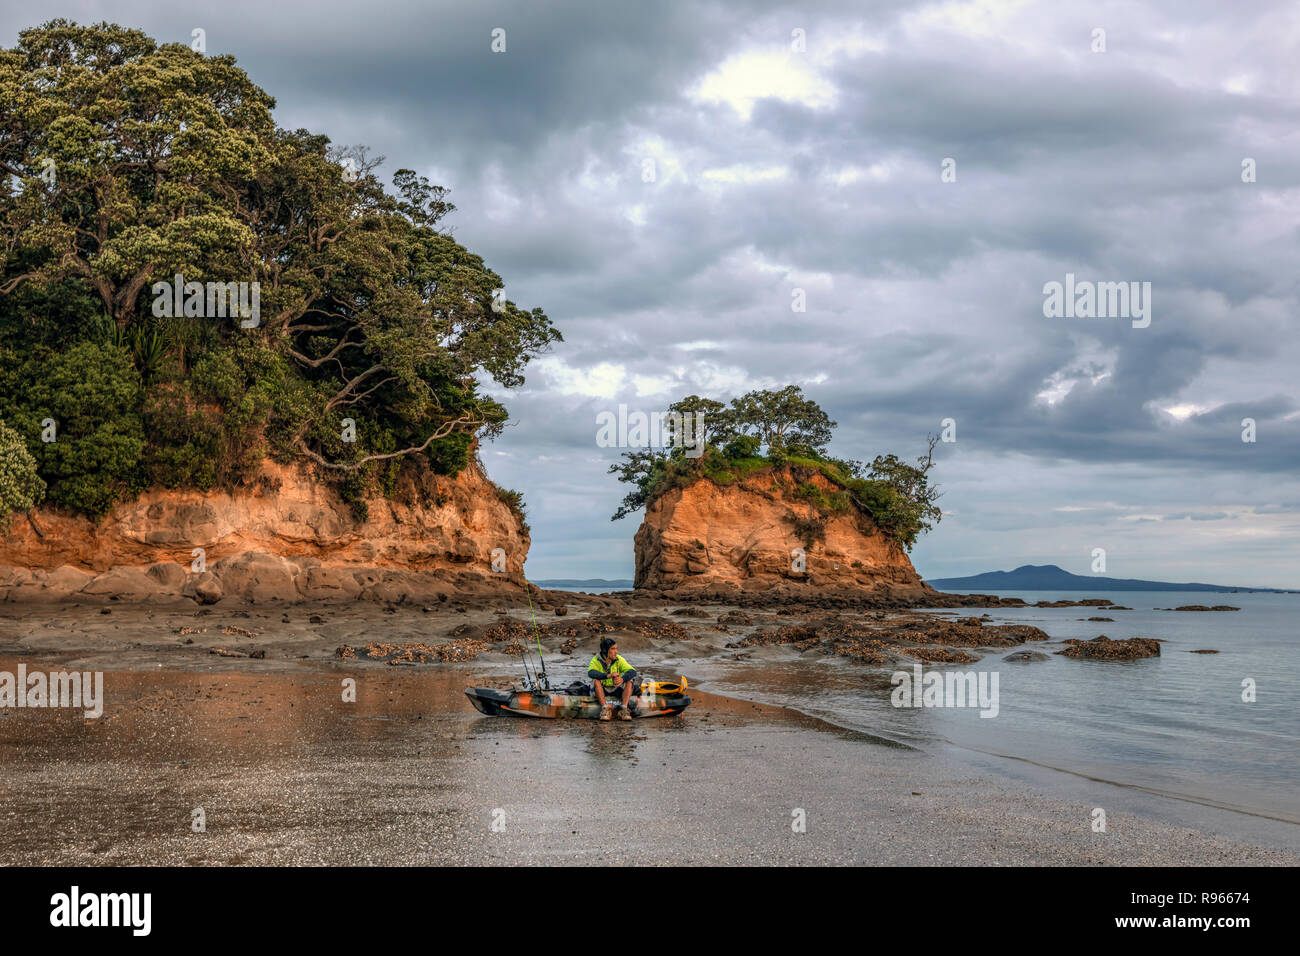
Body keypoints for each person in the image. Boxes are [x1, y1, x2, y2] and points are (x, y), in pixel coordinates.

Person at [587, 637, 639, 721]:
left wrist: (622, 679)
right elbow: (591, 673)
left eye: (616, 649)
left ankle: (623, 709)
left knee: (629, 680)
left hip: (616, 689)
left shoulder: (619, 659)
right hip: (602, 689)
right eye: (613, 649)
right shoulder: (596, 660)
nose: (616, 651)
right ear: (605, 651)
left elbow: (632, 671)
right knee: (595, 680)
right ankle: (605, 709)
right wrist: (608, 676)